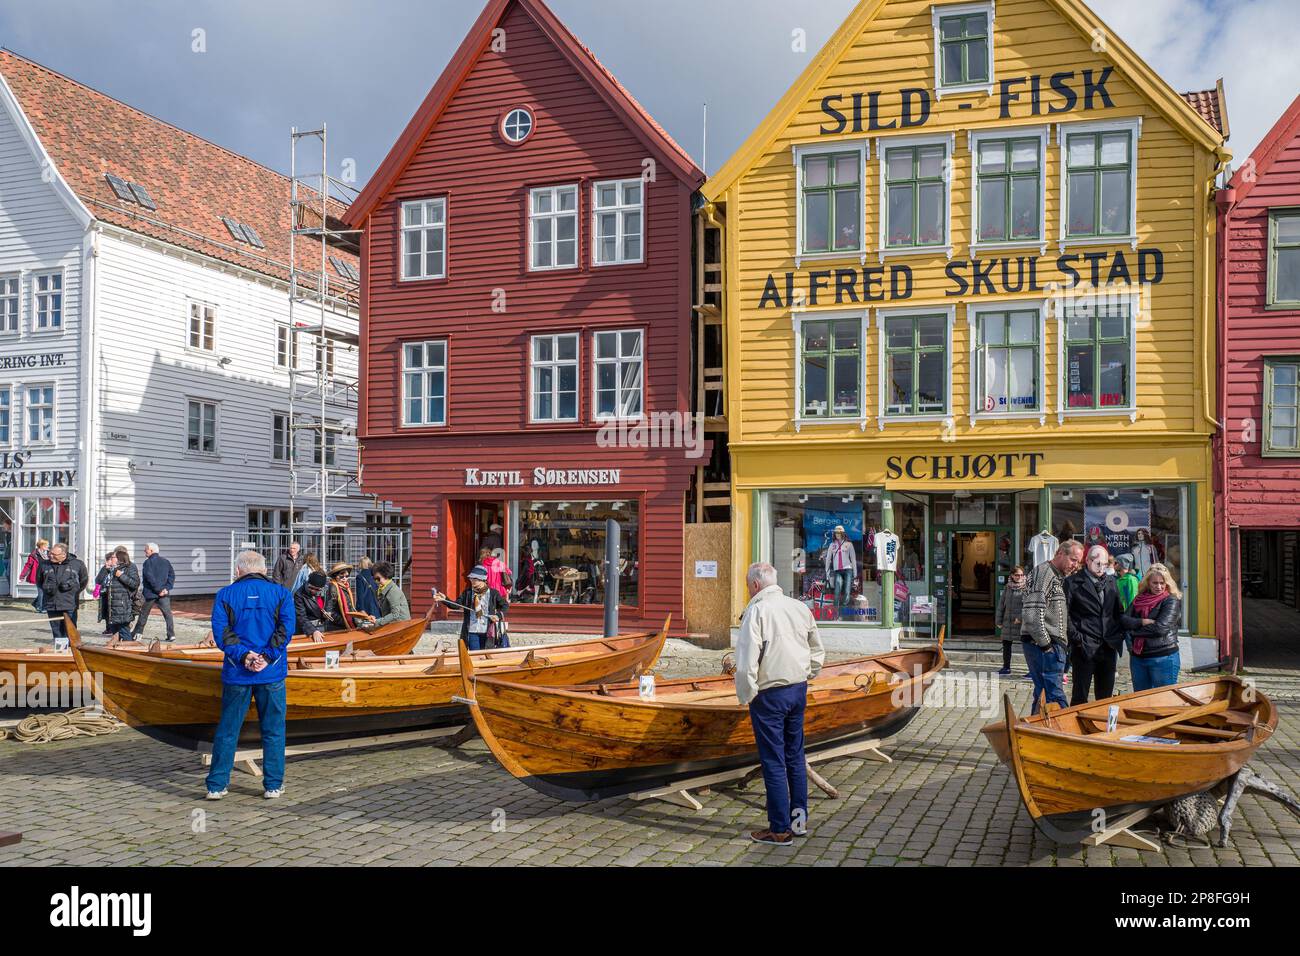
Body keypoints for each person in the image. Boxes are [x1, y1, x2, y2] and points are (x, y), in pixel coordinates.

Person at [735, 562, 825, 847]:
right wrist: (810, 671)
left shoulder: (757, 610)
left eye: (748, 586)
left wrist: (746, 694)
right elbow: (817, 647)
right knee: (795, 756)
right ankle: (799, 821)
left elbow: (747, 659)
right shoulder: (799, 607)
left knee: (773, 761)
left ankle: (779, 830)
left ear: (755, 585)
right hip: (797, 690)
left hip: (770, 694)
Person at [204, 550, 295, 801]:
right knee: (274, 729)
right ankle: (273, 785)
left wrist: (245, 656)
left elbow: (222, 633)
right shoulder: (281, 593)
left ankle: (216, 785)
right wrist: (266, 656)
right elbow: (286, 630)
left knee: (228, 729)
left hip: (238, 672)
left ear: (238, 570)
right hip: (271, 672)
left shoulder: (225, 595)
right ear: (264, 570)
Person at [1020, 540, 1083, 714]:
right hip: (1045, 646)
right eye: (1073, 560)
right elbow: (1032, 614)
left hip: (1045, 645)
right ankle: (1071, 737)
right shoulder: (1044, 573)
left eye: (1078, 562)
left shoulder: (1053, 574)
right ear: (1060, 553)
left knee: (1043, 693)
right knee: (1055, 695)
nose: (1075, 566)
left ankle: (1032, 733)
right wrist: (1046, 645)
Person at [1064, 545, 1126, 706]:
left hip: (1108, 647)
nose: (1100, 567)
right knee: (1080, 696)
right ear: (1087, 560)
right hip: (1084, 647)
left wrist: (1117, 635)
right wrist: (1078, 639)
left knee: (1105, 698)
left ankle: (1102, 729)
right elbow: (1064, 615)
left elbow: (1118, 611)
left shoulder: (1112, 581)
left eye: (1104, 563)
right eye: (1096, 562)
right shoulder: (1072, 582)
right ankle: (1076, 729)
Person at [1121, 563, 1183, 691]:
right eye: (1155, 583)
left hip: (1163, 657)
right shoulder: (1139, 599)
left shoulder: (1171, 600)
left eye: (1162, 582)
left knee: (1163, 702)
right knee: (1141, 701)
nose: (1159, 587)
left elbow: (1160, 629)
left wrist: (1132, 632)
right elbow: (1124, 620)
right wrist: (1142, 622)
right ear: (1148, 582)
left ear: (1167, 583)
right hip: (1139, 658)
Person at [433, 565, 506, 650]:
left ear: (483, 579)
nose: (472, 581)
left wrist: (498, 615)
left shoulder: (493, 593)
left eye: (475, 579)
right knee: (474, 656)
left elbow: (505, 605)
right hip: (472, 630)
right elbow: (456, 605)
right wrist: (444, 599)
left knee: (486, 656)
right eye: (471, 579)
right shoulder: (467, 593)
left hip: (488, 631)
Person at [40, 543, 89, 643]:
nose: (51, 556)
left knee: (70, 630)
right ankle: (61, 652)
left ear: (64, 555)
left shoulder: (77, 564)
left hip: (69, 603)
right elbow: (39, 581)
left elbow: (83, 581)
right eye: (50, 553)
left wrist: (74, 592)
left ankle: (73, 651)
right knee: (57, 631)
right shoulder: (44, 564)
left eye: (54, 554)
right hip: (51, 603)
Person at [133, 542, 177, 642]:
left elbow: (149, 578)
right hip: (164, 594)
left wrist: (158, 590)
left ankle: (138, 633)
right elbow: (172, 576)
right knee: (168, 614)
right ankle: (171, 635)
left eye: (146, 549)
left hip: (150, 594)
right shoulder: (166, 561)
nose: (144, 551)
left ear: (151, 550)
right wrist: (166, 588)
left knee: (144, 614)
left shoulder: (147, 562)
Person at [996, 565, 1027, 677]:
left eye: (1021, 575)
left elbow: (1028, 606)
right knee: (1006, 645)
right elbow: (1001, 604)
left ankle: (1031, 670)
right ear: (1012, 576)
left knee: (1028, 647)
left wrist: (1020, 617)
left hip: (1021, 623)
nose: (1019, 577)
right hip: (1008, 622)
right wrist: (998, 620)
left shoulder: (1027, 588)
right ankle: (1006, 667)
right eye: (1017, 575)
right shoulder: (1007, 587)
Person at [105, 547, 141, 643]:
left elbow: (135, 584)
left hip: (122, 606)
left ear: (119, 558)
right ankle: (117, 651)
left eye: (113, 557)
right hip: (112, 607)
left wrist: (121, 575)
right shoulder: (112, 569)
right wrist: (106, 570)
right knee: (115, 632)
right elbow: (101, 583)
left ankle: (129, 651)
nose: (110, 559)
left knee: (124, 631)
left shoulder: (130, 567)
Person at [324, 562, 373, 631]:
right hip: (336, 629)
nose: (345, 578)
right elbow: (329, 613)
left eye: (346, 576)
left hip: (346, 625)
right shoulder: (333, 588)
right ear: (335, 576)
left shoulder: (345, 587)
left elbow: (350, 608)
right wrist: (345, 621)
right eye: (341, 576)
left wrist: (363, 619)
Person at [823, 525, 857, 613]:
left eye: (839, 532)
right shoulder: (832, 545)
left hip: (848, 570)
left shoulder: (849, 544)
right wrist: (827, 571)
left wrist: (855, 573)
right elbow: (828, 559)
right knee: (837, 591)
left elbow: (853, 558)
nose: (837, 534)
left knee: (847, 591)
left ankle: (843, 612)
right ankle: (835, 613)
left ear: (843, 533)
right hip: (837, 571)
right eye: (836, 532)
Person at [292, 571, 332, 640]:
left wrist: (328, 612)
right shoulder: (299, 594)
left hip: (324, 626)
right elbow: (301, 617)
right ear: (308, 583)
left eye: (317, 589)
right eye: (311, 587)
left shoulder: (326, 590)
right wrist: (313, 630)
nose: (313, 591)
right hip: (307, 629)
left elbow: (329, 603)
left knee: (329, 650)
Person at [372, 561, 411, 627]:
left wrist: (378, 621)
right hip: (394, 625)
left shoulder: (393, 591)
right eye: (374, 579)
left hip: (401, 626)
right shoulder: (383, 589)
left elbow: (395, 614)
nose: (376, 581)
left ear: (386, 576)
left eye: (378, 579)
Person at [22, 538, 50, 613]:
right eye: (46, 545)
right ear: (41, 546)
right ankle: (41, 608)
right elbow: (28, 565)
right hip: (38, 575)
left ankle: (36, 604)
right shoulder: (34, 555)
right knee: (41, 592)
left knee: (46, 591)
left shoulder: (49, 554)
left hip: (47, 575)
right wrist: (22, 575)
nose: (48, 546)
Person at [94, 551, 117, 636]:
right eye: (108, 559)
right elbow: (98, 580)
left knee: (113, 611)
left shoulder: (117, 568)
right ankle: (109, 628)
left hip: (114, 593)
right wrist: (105, 569)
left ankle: (115, 628)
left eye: (111, 559)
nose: (109, 561)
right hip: (105, 592)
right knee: (106, 611)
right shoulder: (104, 569)